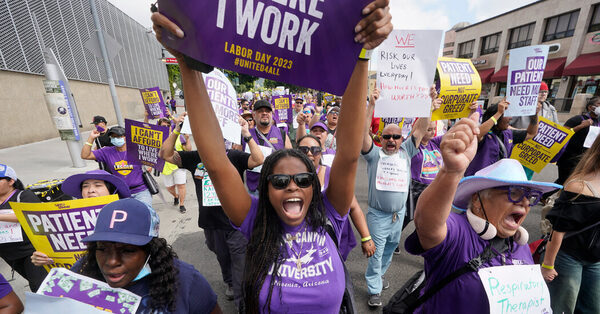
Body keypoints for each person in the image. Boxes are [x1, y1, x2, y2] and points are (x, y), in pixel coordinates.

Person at [151, 0, 392, 311]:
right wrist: (187, 63)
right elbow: (216, 162)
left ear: (313, 187)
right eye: (280, 180)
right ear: (265, 189)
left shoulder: (330, 213)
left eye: (303, 179)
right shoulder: (254, 221)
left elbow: (347, 155)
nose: (292, 186)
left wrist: (362, 54)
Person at [405, 110, 561, 312]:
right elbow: (428, 224)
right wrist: (451, 172)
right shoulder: (459, 232)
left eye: (530, 196)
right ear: (478, 201)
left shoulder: (519, 245)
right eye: (514, 192)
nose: (524, 202)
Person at [159, 113, 264, 309]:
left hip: (235, 223)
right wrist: (177, 129)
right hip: (210, 223)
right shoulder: (194, 159)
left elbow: (258, 159)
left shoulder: (233, 156)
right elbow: (165, 155)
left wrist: (246, 134)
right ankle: (230, 282)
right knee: (221, 256)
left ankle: (243, 305)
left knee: (240, 266)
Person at [72, 198, 221, 313]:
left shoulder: (188, 282)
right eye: (102, 249)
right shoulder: (80, 273)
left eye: (127, 250)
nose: (111, 262)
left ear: (151, 250)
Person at [360, 88, 433, 307]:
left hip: (398, 215)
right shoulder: (374, 155)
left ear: (402, 139)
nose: (391, 139)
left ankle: (379, 277)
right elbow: (362, 134)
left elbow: (420, 128)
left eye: (396, 136)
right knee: (377, 252)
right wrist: (371, 105)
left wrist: (427, 102)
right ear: (380, 138)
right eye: (387, 136)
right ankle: (374, 290)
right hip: (378, 215)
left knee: (390, 249)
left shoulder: (407, 152)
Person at [542, 135, 600, 314]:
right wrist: (548, 265)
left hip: (596, 260)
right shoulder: (578, 185)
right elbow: (557, 231)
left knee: (592, 308)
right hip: (569, 257)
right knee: (562, 308)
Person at [31, 169, 131, 267]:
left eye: (98, 185)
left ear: (111, 190)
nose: (91, 190)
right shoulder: (66, 219)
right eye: (85, 186)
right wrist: (43, 257)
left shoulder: (127, 214)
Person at [297, 134, 374, 261]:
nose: (310, 153)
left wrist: (366, 237)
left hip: (331, 237)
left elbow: (354, 207)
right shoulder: (289, 176)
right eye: (304, 150)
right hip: (300, 239)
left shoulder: (332, 175)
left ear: (321, 153)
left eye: (315, 150)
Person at [0, 164, 49, 292]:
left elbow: (29, 214)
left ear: (11, 181)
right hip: (9, 255)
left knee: (39, 287)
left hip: (31, 252)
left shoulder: (24, 195)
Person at [464, 99, 540, 176]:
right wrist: (499, 112)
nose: (511, 118)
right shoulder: (485, 134)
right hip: (478, 181)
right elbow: (477, 134)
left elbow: (531, 133)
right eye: (507, 115)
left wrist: (535, 115)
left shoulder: (508, 134)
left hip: (498, 179)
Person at [81, 126, 153, 207]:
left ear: (126, 137)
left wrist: (150, 166)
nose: (115, 139)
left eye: (118, 136)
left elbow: (153, 159)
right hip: (121, 193)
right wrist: (91, 138)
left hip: (141, 191)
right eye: (113, 137)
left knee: (145, 214)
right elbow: (85, 155)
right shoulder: (107, 151)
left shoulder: (137, 149)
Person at [242, 99, 293, 196]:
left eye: (267, 111)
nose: (264, 113)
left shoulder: (281, 133)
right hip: (253, 188)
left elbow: (291, 159)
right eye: (260, 111)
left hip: (277, 186)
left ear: (271, 114)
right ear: (254, 115)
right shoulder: (245, 135)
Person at [555, 96, 600, 187]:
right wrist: (581, 126)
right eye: (599, 104)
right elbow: (562, 135)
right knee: (564, 181)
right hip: (569, 157)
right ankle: (543, 195)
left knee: (573, 182)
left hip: (584, 158)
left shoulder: (598, 122)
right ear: (590, 107)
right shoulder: (577, 119)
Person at [157, 117, 191, 213]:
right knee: (169, 187)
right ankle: (175, 196)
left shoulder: (179, 136)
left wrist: (187, 139)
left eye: (168, 126)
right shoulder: (156, 138)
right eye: (164, 126)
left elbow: (188, 149)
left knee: (181, 185)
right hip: (165, 168)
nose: (167, 127)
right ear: (158, 127)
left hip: (178, 165)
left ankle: (182, 204)